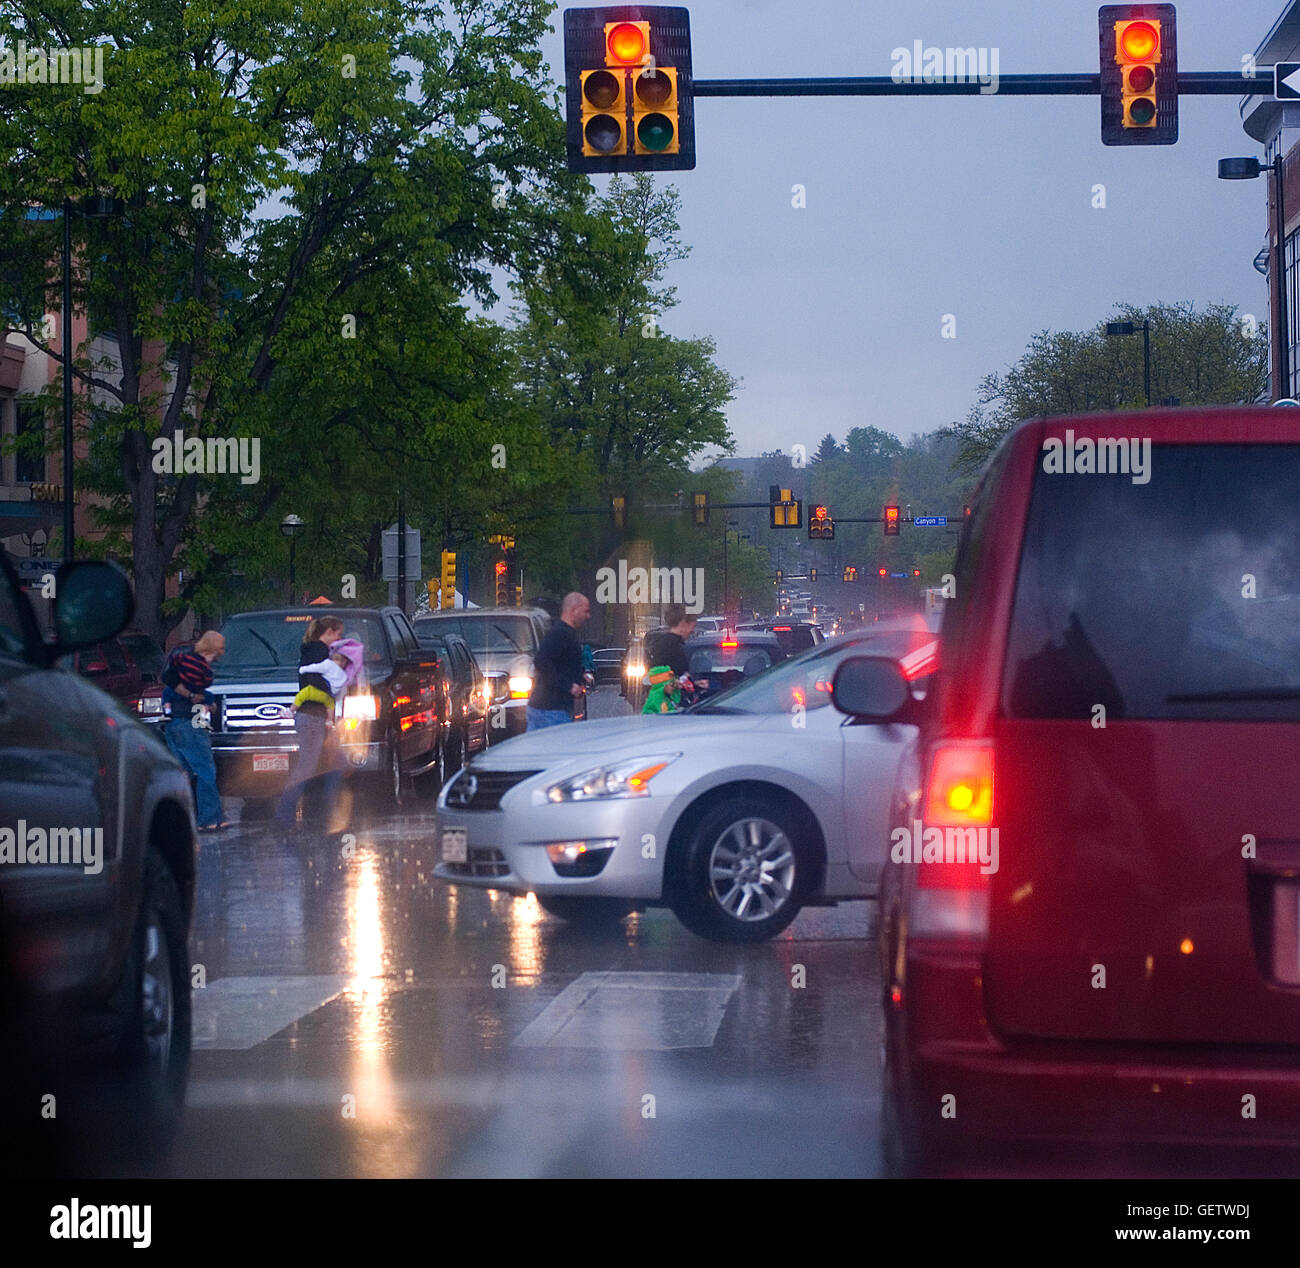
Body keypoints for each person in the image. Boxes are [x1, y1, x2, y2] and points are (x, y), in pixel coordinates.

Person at [275, 616, 348, 832]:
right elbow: (315, 684)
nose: (339, 638)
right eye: (338, 634)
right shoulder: (319, 653)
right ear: (328, 632)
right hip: (313, 717)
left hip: (311, 717)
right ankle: (286, 814)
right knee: (307, 767)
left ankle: (324, 811)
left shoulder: (310, 651)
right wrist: (330, 699)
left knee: (334, 762)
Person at [162, 630, 228, 831]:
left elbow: (169, 681)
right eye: (221, 648)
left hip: (173, 724)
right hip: (192, 722)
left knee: (182, 774)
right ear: (214, 648)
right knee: (205, 771)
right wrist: (195, 696)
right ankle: (210, 819)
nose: (222, 653)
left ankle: (177, 819)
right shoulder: (200, 668)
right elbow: (199, 693)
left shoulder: (180, 661)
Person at [527, 591, 590, 730]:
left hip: (546, 708)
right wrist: (569, 686)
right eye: (585, 611)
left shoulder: (565, 633)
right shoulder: (560, 633)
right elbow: (542, 661)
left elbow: (559, 664)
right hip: (551, 710)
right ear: (574, 609)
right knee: (559, 749)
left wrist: (580, 676)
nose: (588, 616)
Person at [645, 604, 702, 701]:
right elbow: (661, 674)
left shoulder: (666, 643)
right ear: (683, 623)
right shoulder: (671, 645)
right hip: (670, 703)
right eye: (693, 625)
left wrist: (693, 684)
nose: (693, 630)